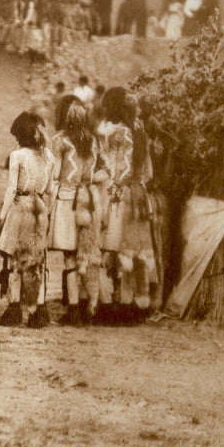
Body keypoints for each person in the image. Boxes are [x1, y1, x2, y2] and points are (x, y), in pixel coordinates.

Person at [0, 111, 55, 328]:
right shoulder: (49, 156)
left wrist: (2, 217)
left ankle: (14, 308)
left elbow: (11, 189)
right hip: (40, 207)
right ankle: (38, 310)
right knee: (38, 259)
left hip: (21, 207)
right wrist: (48, 213)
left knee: (15, 260)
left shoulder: (17, 156)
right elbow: (50, 189)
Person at [97, 88, 156, 323]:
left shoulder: (116, 132)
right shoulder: (139, 130)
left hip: (117, 193)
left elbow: (115, 167)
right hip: (138, 194)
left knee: (114, 248)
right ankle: (134, 305)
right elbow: (147, 172)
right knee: (134, 250)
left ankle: (115, 306)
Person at [49, 96, 105, 325]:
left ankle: (73, 309)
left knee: (70, 256)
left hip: (67, 200)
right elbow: (103, 171)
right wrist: (89, 179)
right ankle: (86, 306)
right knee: (86, 253)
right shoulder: (93, 140)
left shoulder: (60, 140)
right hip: (90, 200)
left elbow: (54, 174)